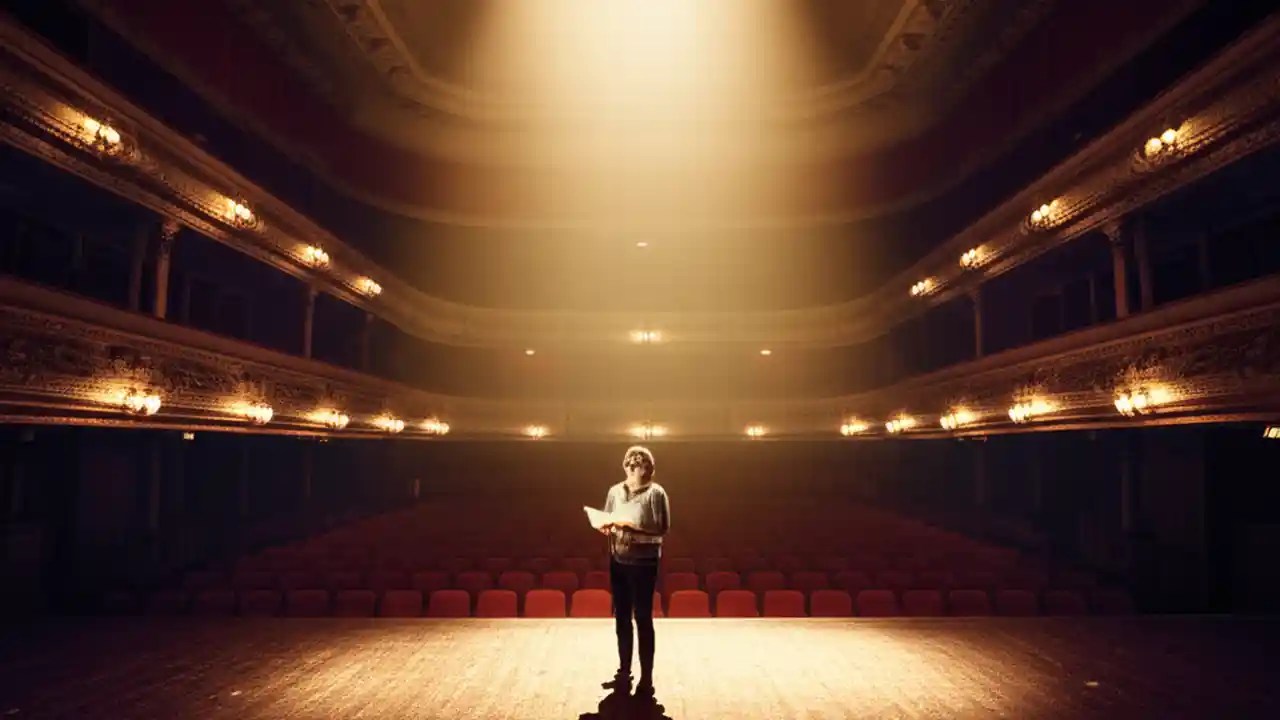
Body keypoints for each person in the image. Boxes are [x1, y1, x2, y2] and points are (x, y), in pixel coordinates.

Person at [599, 445, 670, 695]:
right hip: (618, 559)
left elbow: (662, 528)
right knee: (621, 617)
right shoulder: (615, 491)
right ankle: (624, 670)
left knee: (642, 618)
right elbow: (609, 519)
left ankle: (646, 678)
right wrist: (606, 526)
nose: (633, 468)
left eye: (639, 464)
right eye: (629, 464)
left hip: (645, 563)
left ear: (648, 468)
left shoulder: (657, 493)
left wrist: (634, 530)